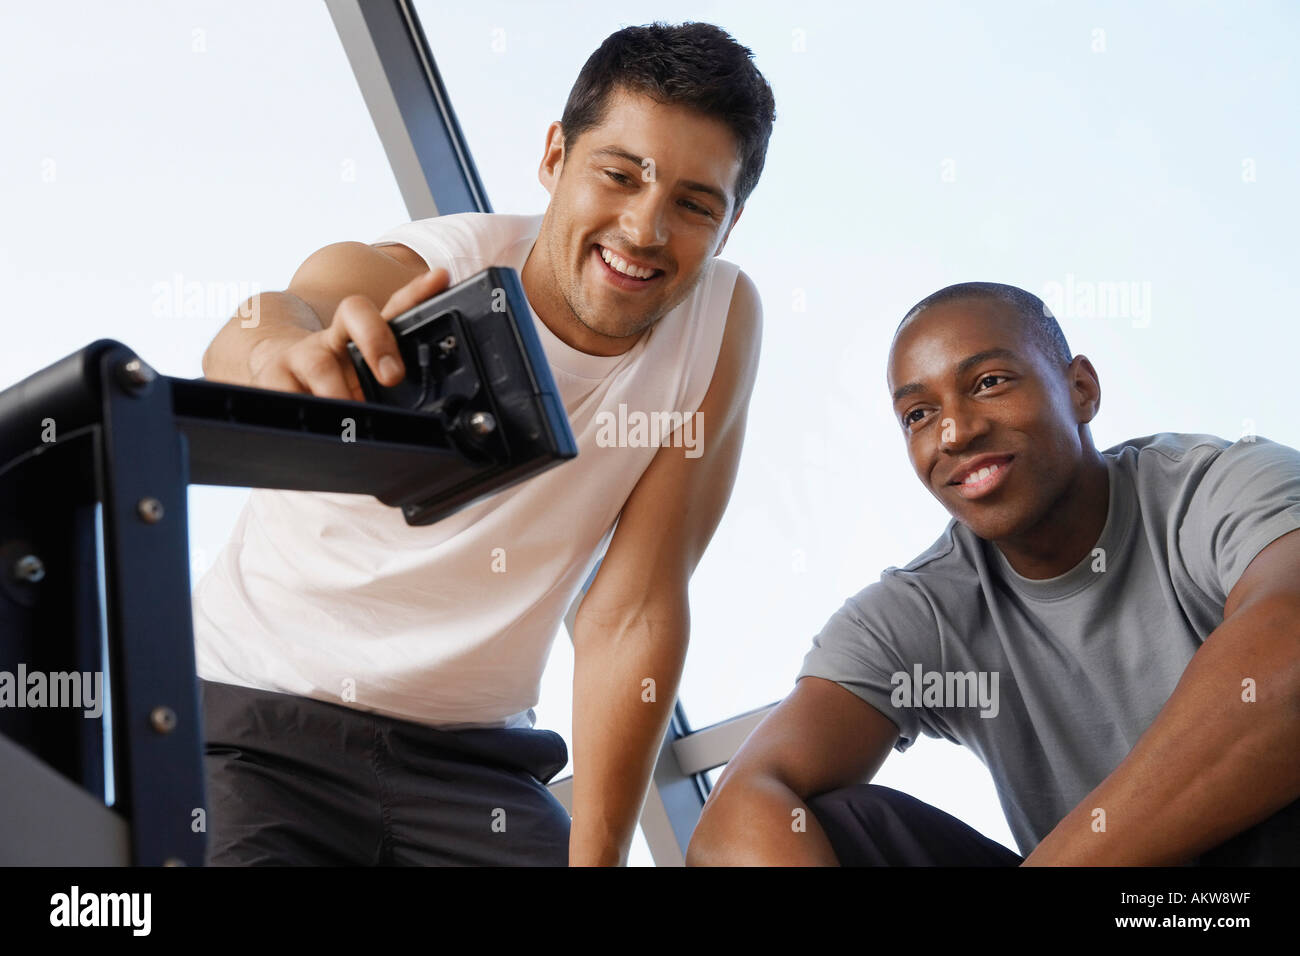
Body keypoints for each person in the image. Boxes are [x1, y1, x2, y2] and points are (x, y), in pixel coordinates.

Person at [195, 21, 774, 866]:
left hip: (474, 768)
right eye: (619, 175)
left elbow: (633, 608)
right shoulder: (443, 269)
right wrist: (274, 352)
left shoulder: (720, 322)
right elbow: (282, 310)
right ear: (554, 158)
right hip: (257, 723)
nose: (645, 229)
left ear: (729, 223)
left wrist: (600, 856)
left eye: (694, 204)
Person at [687, 281, 1300, 866]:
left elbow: (1287, 657)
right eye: (919, 414)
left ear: (1081, 388)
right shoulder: (923, 609)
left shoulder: (1222, 485)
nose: (956, 432)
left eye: (989, 382)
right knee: (839, 823)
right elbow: (734, 818)